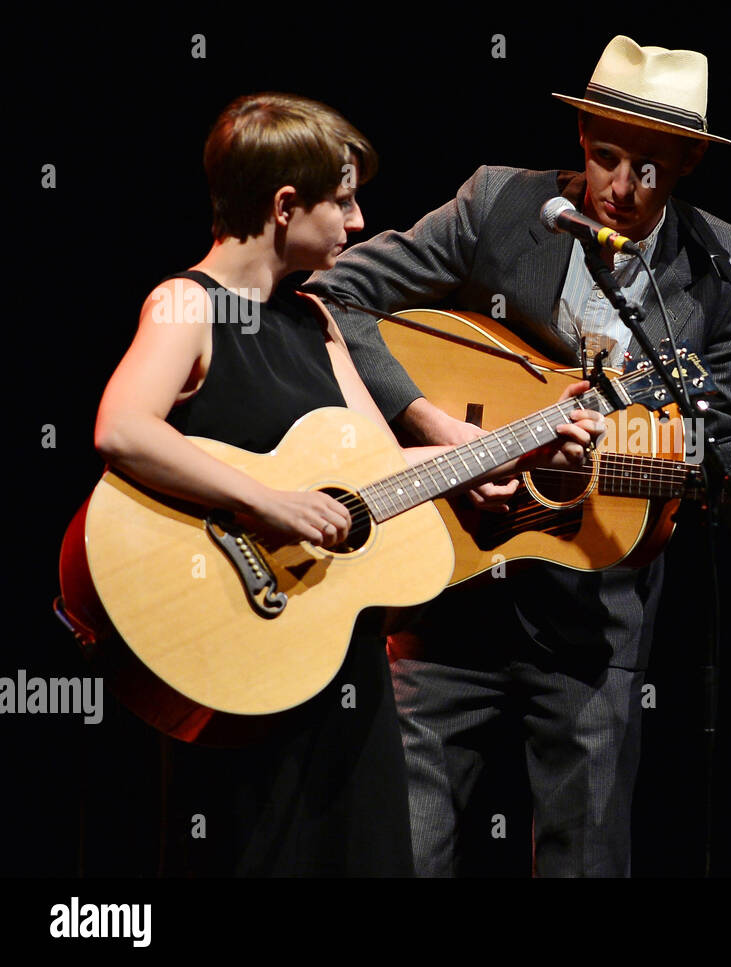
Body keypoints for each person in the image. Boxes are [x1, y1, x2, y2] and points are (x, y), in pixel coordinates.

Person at [304, 35, 731, 876]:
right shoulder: (498, 205)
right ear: (580, 142)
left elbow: (723, 428)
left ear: (686, 165)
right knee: (405, 854)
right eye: (605, 156)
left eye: (647, 168)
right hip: (449, 591)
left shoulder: (730, 266)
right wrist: (438, 428)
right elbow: (336, 293)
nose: (619, 186)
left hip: (596, 623)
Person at [91, 91, 601, 875]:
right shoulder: (185, 305)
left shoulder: (318, 324)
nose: (359, 223)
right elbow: (123, 428)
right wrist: (269, 501)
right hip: (236, 640)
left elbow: (380, 469)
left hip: (336, 663)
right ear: (285, 204)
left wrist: (519, 443)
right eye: (344, 200)